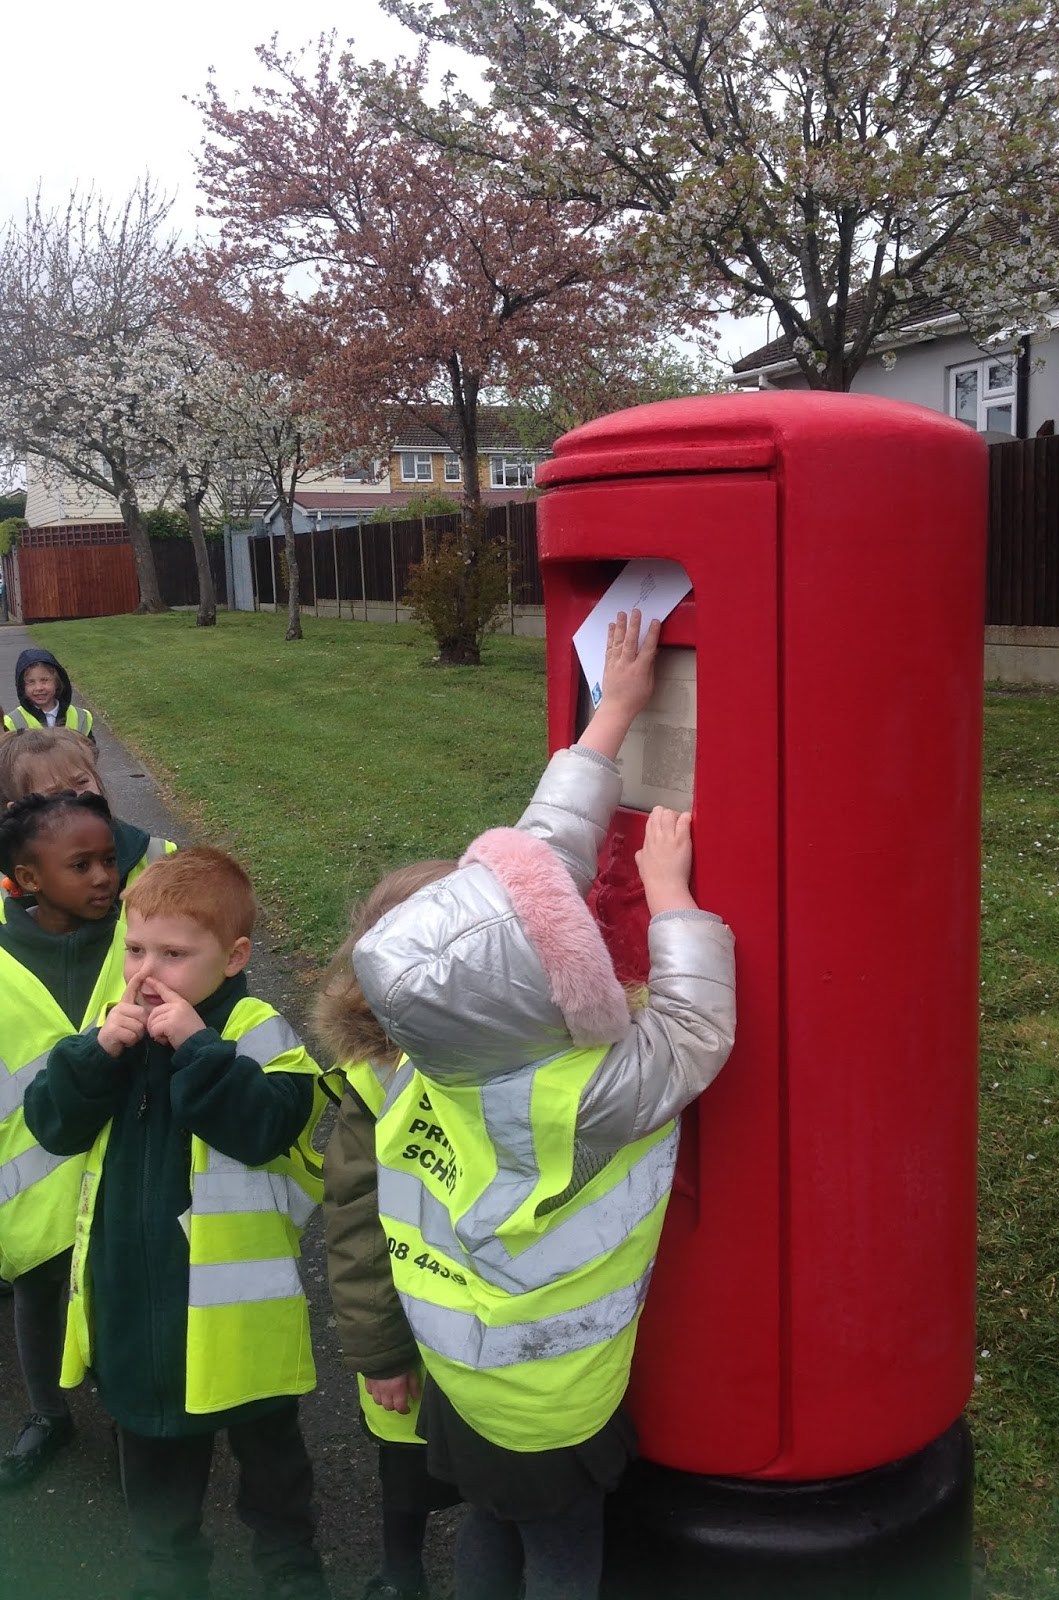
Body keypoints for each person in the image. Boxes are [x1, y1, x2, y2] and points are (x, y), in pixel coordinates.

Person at [343, 609, 737, 1600]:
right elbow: (694, 1031)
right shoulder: (583, 1094)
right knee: (562, 1554)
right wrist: (669, 896)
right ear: (558, 986)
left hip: (464, 1379)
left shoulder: (434, 1053)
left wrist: (613, 715)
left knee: (487, 1526)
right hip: (553, 1398)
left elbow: (534, 854)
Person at [25, 847, 332, 1600]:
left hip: (239, 1325)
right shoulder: (115, 1033)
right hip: (135, 1304)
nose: (145, 972)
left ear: (233, 957)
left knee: (273, 1476)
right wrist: (95, 1054)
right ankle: (167, 1578)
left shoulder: (258, 1032)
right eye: (134, 949)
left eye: (174, 953)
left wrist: (198, 1045)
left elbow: (261, 1126)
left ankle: (291, 1575)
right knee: (157, 1484)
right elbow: (53, 1125)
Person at [315, 865, 463, 1600]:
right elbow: (353, 1220)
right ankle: (399, 1573)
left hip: (496, 1331)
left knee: (495, 1483)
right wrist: (379, 1353)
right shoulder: (376, 1073)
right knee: (405, 1472)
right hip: (408, 1322)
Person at [0, 790, 125, 1489]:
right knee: (40, 1292)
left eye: (108, 860)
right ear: (29, 877)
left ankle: (125, 1412)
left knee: (115, 1289)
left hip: (122, 1160)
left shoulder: (138, 937)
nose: (104, 877)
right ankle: (49, 1412)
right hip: (32, 1173)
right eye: (81, 865)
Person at [0, 726, 174, 926]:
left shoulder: (158, 857)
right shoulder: (5, 890)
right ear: (19, 810)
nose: (77, 797)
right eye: (55, 794)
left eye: (82, 781)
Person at [4, 646, 95, 738]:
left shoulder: (81, 717)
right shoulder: (13, 722)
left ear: (57, 682)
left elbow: (91, 750)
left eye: (44, 680)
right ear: (22, 687)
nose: (38, 688)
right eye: (31, 682)